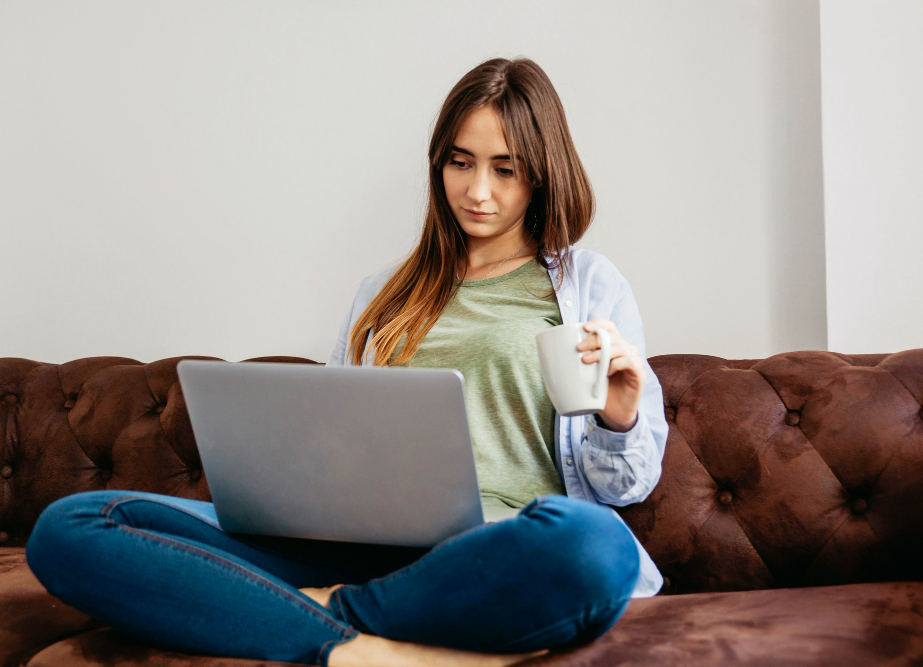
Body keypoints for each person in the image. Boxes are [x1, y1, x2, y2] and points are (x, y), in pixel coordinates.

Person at [25, 57, 668, 667]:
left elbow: (624, 489)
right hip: (357, 544)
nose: (477, 191)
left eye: (506, 169)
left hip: (494, 552)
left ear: (543, 172)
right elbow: (334, 439)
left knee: (593, 545)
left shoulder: (588, 284)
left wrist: (619, 419)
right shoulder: (383, 291)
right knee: (72, 526)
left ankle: (325, 620)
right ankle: (369, 642)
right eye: (460, 162)